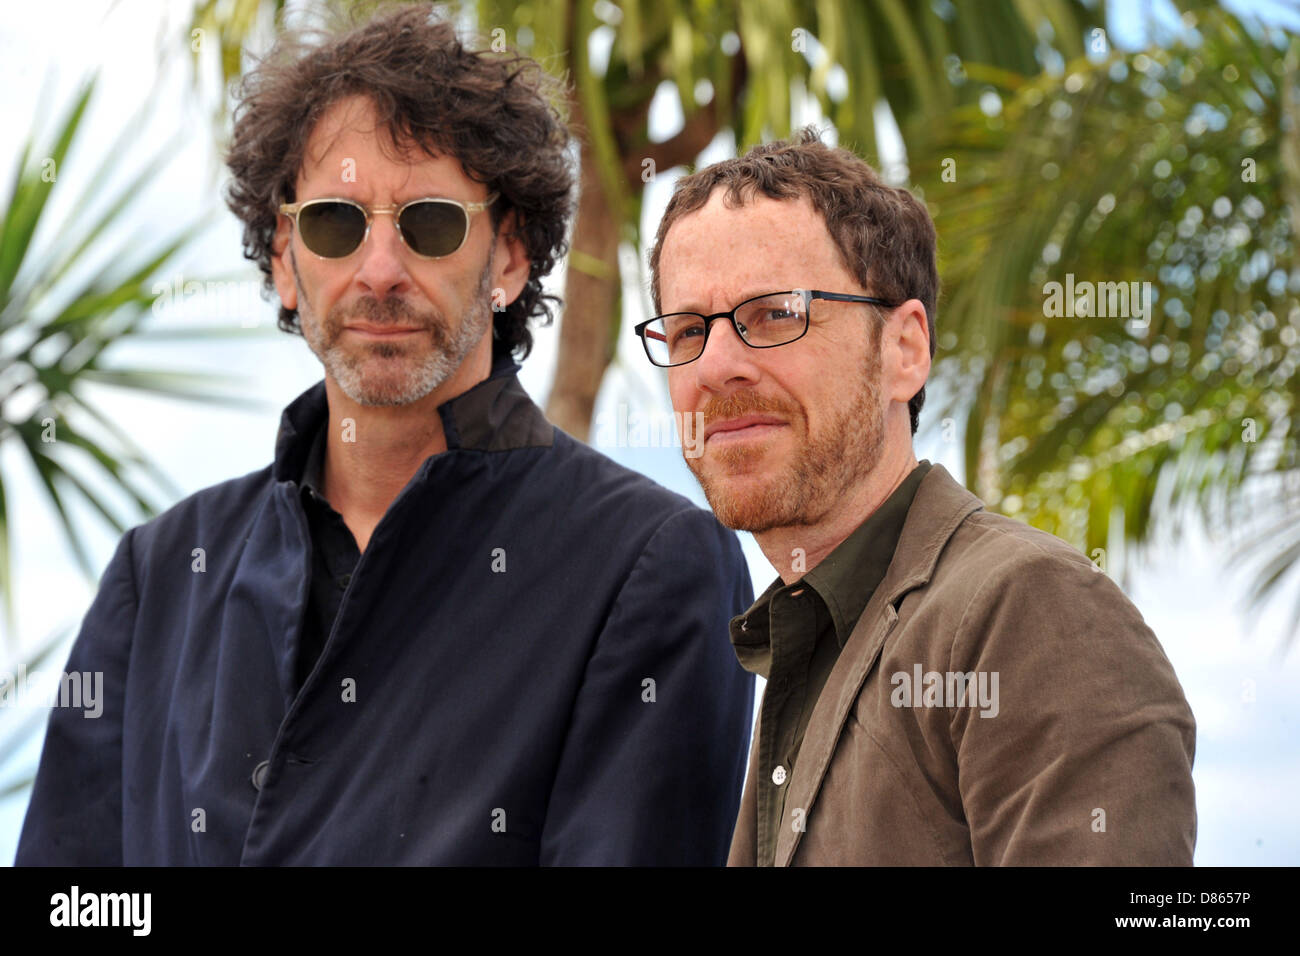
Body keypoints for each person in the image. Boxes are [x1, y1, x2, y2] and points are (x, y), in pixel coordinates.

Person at [17, 5, 754, 866]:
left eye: (430, 222)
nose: (379, 271)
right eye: (336, 222)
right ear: (285, 258)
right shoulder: (159, 576)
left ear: (509, 257)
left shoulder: (650, 567)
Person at [639, 128, 1197, 866]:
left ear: (904, 350)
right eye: (686, 331)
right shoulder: (806, 643)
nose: (714, 367)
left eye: (774, 314)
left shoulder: (1029, 608)